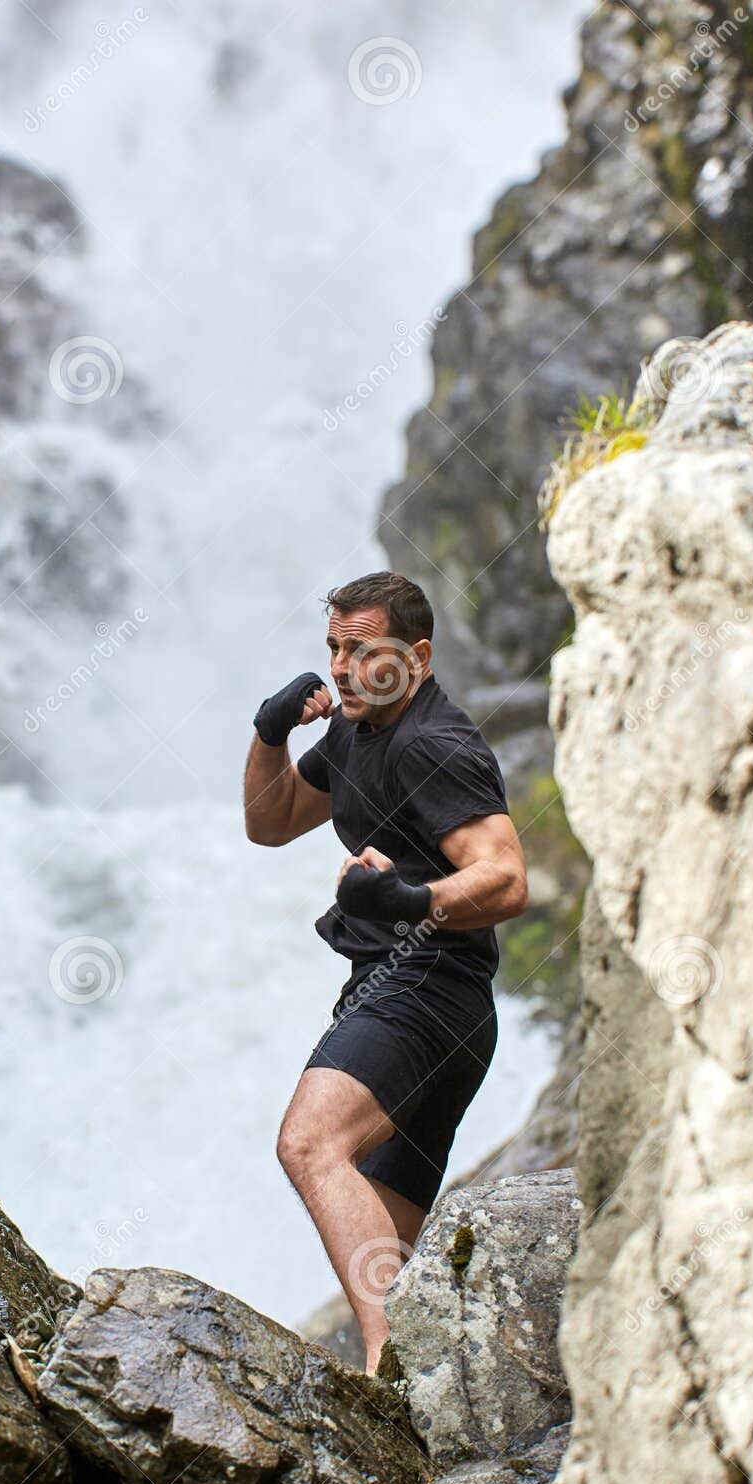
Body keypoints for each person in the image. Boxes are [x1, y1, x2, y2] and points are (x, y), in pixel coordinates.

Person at [243, 571, 528, 1375]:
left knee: (308, 1143)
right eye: (333, 648)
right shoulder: (354, 731)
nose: (340, 667)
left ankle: (387, 1359)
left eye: (362, 650)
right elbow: (269, 823)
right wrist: (268, 734)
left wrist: (410, 899)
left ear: (418, 657)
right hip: (430, 1008)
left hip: (426, 990)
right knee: (387, 1262)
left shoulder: (434, 745)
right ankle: (406, 1386)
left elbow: (507, 879)